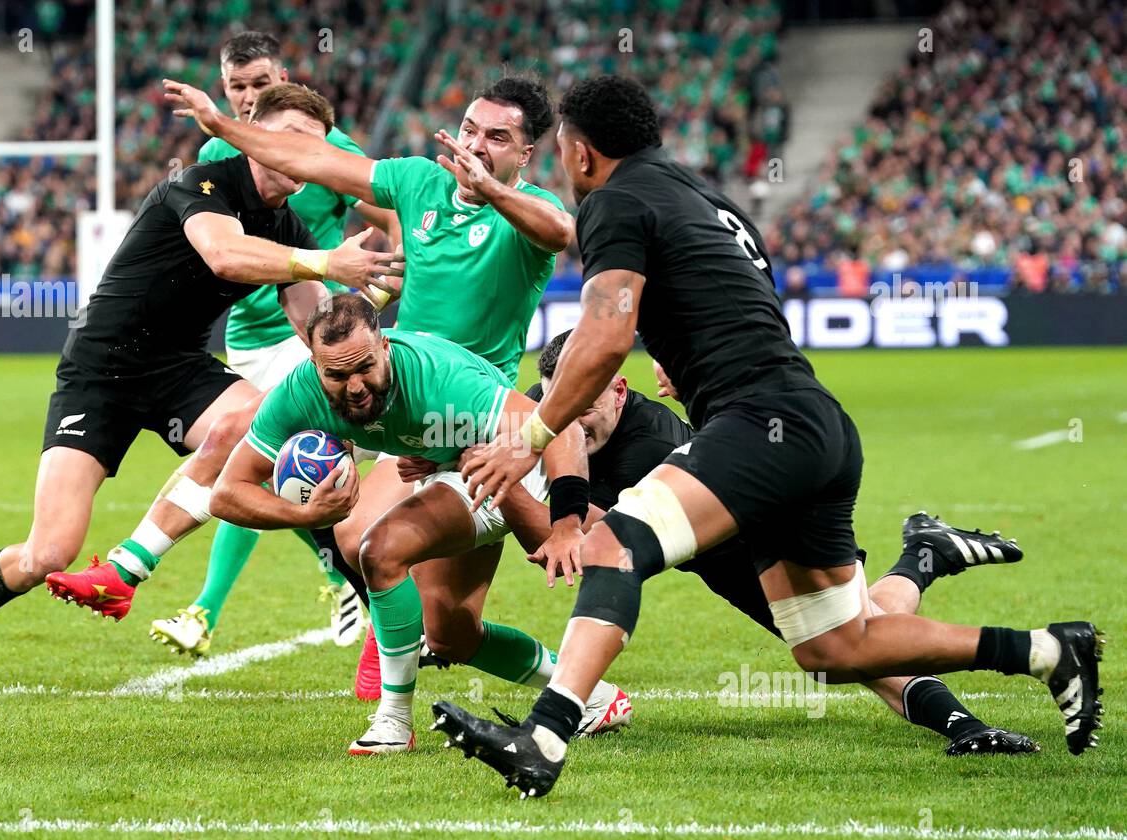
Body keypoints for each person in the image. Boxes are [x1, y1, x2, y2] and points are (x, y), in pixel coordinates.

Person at [433, 76, 1103, 797]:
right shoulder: (709, 200)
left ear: (581, 152)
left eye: (563, 152)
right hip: (812, 424)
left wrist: (529, 435)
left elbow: (601, 337)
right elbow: (732, 298)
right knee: (834, 646)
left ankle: (543, 738)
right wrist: (689, 361)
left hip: (761, 425)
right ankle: (1045, 650)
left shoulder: (613, 202)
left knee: (611, 547)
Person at [0, 84, 402, 690]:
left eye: (314, 148)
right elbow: (224, 255)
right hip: (100, 370)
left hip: (180, 368)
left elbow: (322, 334)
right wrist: (327, 264)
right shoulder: (202, 183)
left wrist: (382, 293)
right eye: (289, 141)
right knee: (48, 554)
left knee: (266, 428)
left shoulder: (288, 226)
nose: (304, 158)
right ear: (253, 135)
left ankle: (367, 601)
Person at [159, 69, 574, 692]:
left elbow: (561, 233)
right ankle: (404, 659)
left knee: (544, 561)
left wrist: (492, 190)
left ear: (525, 153)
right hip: (405, 411)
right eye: (469, 130)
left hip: (479, 424)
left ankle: (584, 649)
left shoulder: (531, 212)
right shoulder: (415, 181)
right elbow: (314, 158)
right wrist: (224, 126)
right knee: (362, 542)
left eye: (496, 137)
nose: (476, 145)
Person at [474, 331, 1034, 756]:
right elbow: (522, 434)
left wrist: (509, 483)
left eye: (584, 407)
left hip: (762, 542)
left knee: (858, 648)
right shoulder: (554, 403)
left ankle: (967, 722)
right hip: (718, 555)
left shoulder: (650, 443)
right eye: (559, 406)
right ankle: (928, 554)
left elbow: (597, 543)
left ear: (619, 390)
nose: (570, 423)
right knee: (857, 637)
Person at [211, 295, 631, 754]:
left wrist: (567, 524)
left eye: (365, 367)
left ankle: (393, 721)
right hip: (444, 465)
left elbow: (562, 428)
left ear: (385, 346)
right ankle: (593, 695)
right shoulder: (299, 392)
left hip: (499, 461)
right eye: (336, 374)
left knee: (380, 549)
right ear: (314, 364)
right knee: (452, 635)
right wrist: (304, 516)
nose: (354, 386)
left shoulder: (442, 381)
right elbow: (226, 492)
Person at [149, 33, 402, 656]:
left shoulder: (331, 148)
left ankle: (204, 608)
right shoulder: (217, 150)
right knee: (267, 459)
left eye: (259, 84)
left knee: (255, 455)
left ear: (283, 80)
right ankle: (344, 575)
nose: (246, 99)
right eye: (236, 88)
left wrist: (369, 298)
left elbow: (391, 218)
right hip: (246, 332)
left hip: (308, 327)